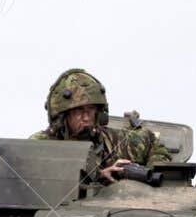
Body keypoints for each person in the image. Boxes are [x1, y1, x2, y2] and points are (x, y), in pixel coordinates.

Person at [32, 68, 171, 184]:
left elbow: (151, 140)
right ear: (63, 116)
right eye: (78, 111)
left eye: (91, 109)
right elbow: (35, 179)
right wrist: (98, 176)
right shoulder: (41, 146)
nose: (86, 117)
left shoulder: (113, 141)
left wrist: (148, 176)